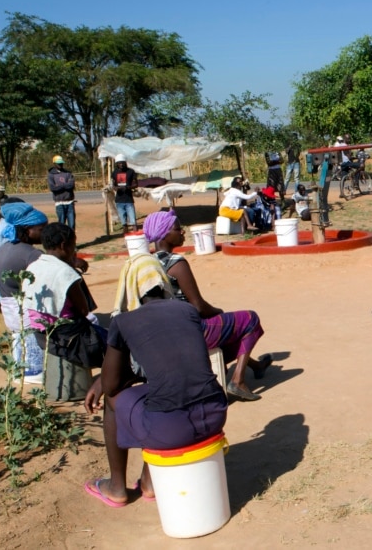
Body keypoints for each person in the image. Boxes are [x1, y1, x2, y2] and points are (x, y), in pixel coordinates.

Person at [83, 255, 228, 507]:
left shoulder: (124, 321)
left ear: (130, 288)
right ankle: (149, 481)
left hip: (170, 429)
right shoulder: (188, 311)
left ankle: (117, 486)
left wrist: (101, 382)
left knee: (113, 400)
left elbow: (112, 386)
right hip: (216, 413)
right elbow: (181, 367)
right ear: (163, 282)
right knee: (163, 390)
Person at [143, 210, 272, 401]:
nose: (182, 233)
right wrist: (218, 312)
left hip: (167, 333)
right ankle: (237, 381)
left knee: (230, 327)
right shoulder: (176, 263)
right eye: (178, 229)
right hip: (190, 331)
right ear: (164, 233)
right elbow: (199, 306)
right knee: (250, 320)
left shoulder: (149, 263)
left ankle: (255, 366)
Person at [23, 223, 106, 366]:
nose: (74, 250)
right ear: (63, 245)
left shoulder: (33, 267)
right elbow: (83, 310)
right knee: (116, 343)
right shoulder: (65, 272)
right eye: (73, 245)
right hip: (69, 338)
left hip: (41, 335)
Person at [0, 203, 51, 383]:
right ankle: (34, 372)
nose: (44, 232)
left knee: (20, 338)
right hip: (25, 312)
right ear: (27, 230)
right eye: (41, 229)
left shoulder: (4, 248)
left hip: (9, 308)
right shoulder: (30, 254)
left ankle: (22, 368)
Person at [47, 155, 76, 228]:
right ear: (54, 164)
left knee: (71, 224)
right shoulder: (51, 175)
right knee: (61, 224)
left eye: (61, 163)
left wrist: (59, 185)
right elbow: (53, 188)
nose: (60, 165)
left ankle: (71, 239)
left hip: (69, 202)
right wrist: (65, 185)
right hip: (59, 203)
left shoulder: (68, 173)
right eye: (58, 163)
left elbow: (71, 185)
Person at [111, 155, 139, 231]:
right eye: (119, 163)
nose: (121, 165)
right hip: (119, 200)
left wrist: (128, 187)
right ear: (117, 164)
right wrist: (115, 188)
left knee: (133, 221)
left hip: (129, 200)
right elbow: (113, 185)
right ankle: (126, 237)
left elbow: (136, 184)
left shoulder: (131, 172)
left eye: (122, 163)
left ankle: (135, 234)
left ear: (125, 162)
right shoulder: (114, 173)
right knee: (123, 223)